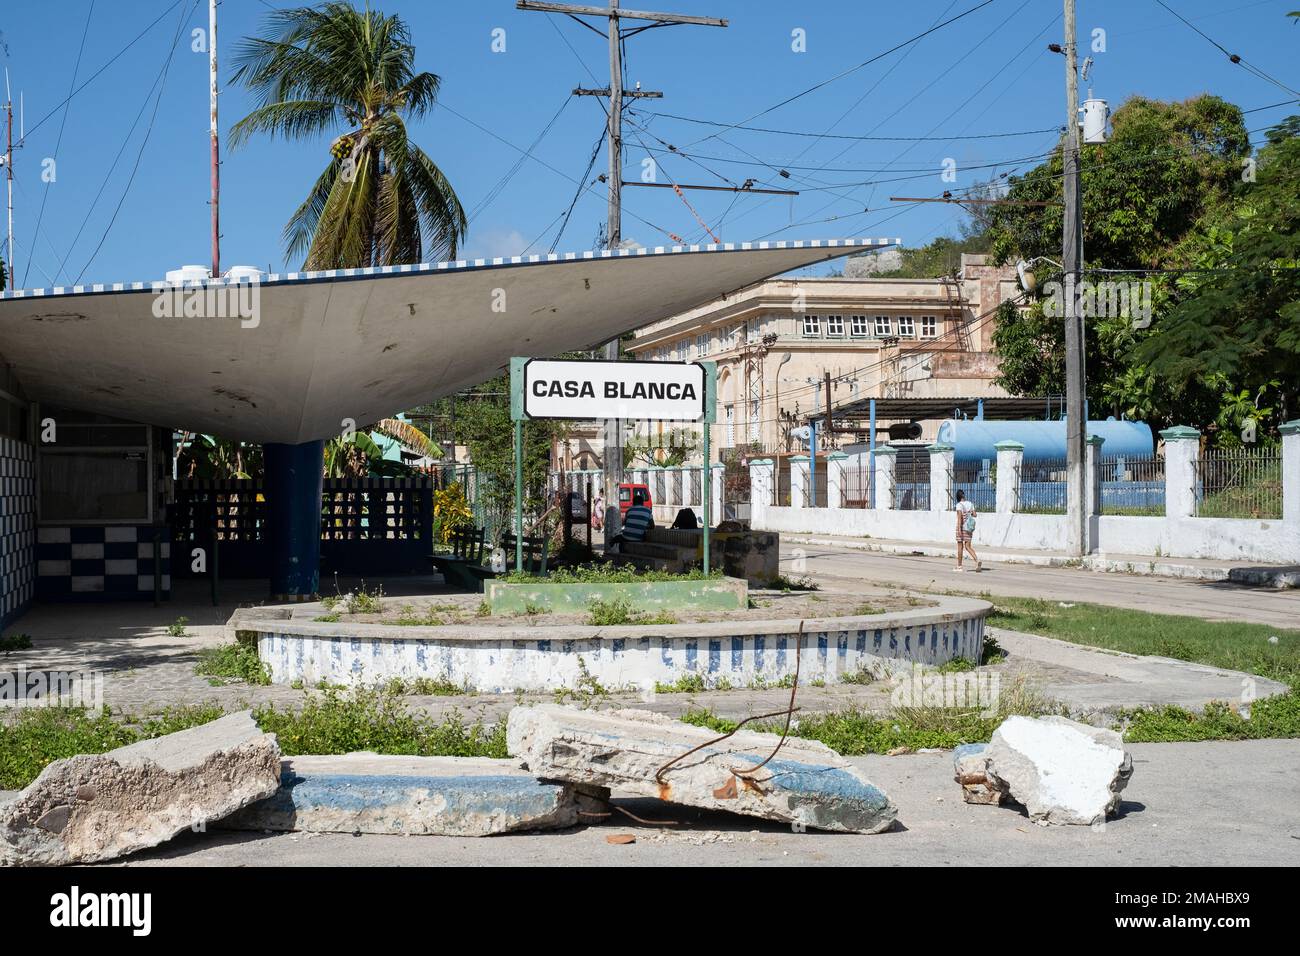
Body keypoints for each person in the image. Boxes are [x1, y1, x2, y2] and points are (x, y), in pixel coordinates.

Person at [954, 490, 982, 572]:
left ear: (958, 497)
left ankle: (959, 566)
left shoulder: (959, 505)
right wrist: (969, 513)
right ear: (963, 496)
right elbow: (975, 515)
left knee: (960, 546)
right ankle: (977, 560)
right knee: (968, 546)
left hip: (962, 527)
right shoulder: (970, 504)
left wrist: (959, 529)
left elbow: (960, 518)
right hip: (969, 528)